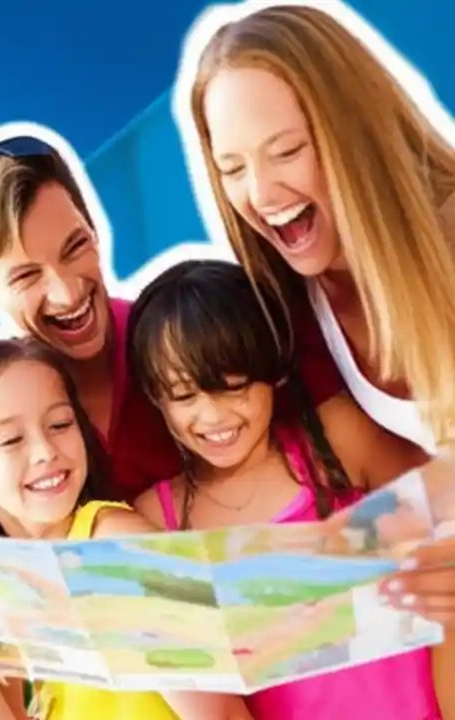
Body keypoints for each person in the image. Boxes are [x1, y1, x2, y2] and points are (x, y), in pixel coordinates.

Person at [177, 3, 455, 706]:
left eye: (287, 150)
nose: (261, 194)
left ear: (352, 129)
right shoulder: (291, 311)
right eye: (232, 166)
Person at [0, 128, 345, 528]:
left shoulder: (181, 338)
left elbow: (325, 417)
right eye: (26, 276)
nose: (66, 293)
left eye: (76, 246)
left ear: (95, 229)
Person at [125, 258, 443, 719]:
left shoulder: (333, 440)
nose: (213, 417)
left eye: (233, 387)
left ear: (273, 371)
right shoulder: (156, 519)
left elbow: (443, 527)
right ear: (156, 397)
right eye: (184, 396)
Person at [0, 335, 252, 720]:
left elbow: (221, 713)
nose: (45, 451)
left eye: (60, 424)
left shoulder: (117, 549)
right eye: (11, 440)